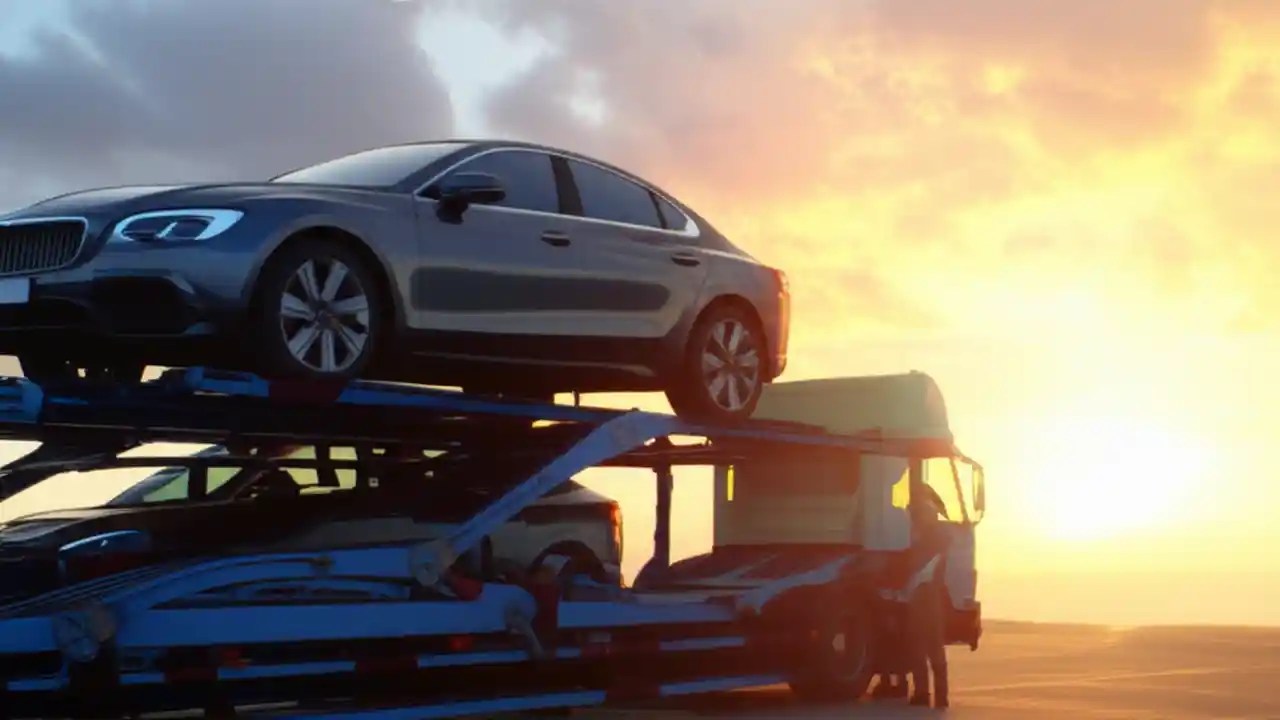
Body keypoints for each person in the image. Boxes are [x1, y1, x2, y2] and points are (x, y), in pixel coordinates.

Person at [905, 487, 951, 708]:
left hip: (924, 594)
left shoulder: (924, 537)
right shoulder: (939, 535)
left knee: (923, 645)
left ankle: (925, 694)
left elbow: (923, 567)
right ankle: (938, 696)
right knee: (931, 646)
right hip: (930, 594)